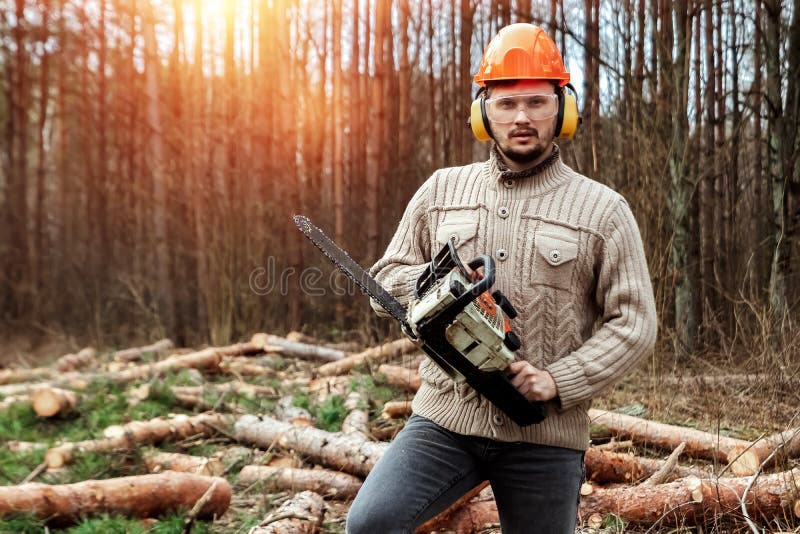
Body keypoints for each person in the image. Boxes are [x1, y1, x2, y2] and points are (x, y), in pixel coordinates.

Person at [346, 23, 657, 534]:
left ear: (563, 108)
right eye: (506, 104)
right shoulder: (442, 190)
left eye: (536, 103)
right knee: (371, 523)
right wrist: (436, 286)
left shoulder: (603, 210)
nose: (522, 118)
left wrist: (559, 381)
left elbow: (635, 323)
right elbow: (387, 278)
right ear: (482, 111)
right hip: (446, 418)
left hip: (546, 433)